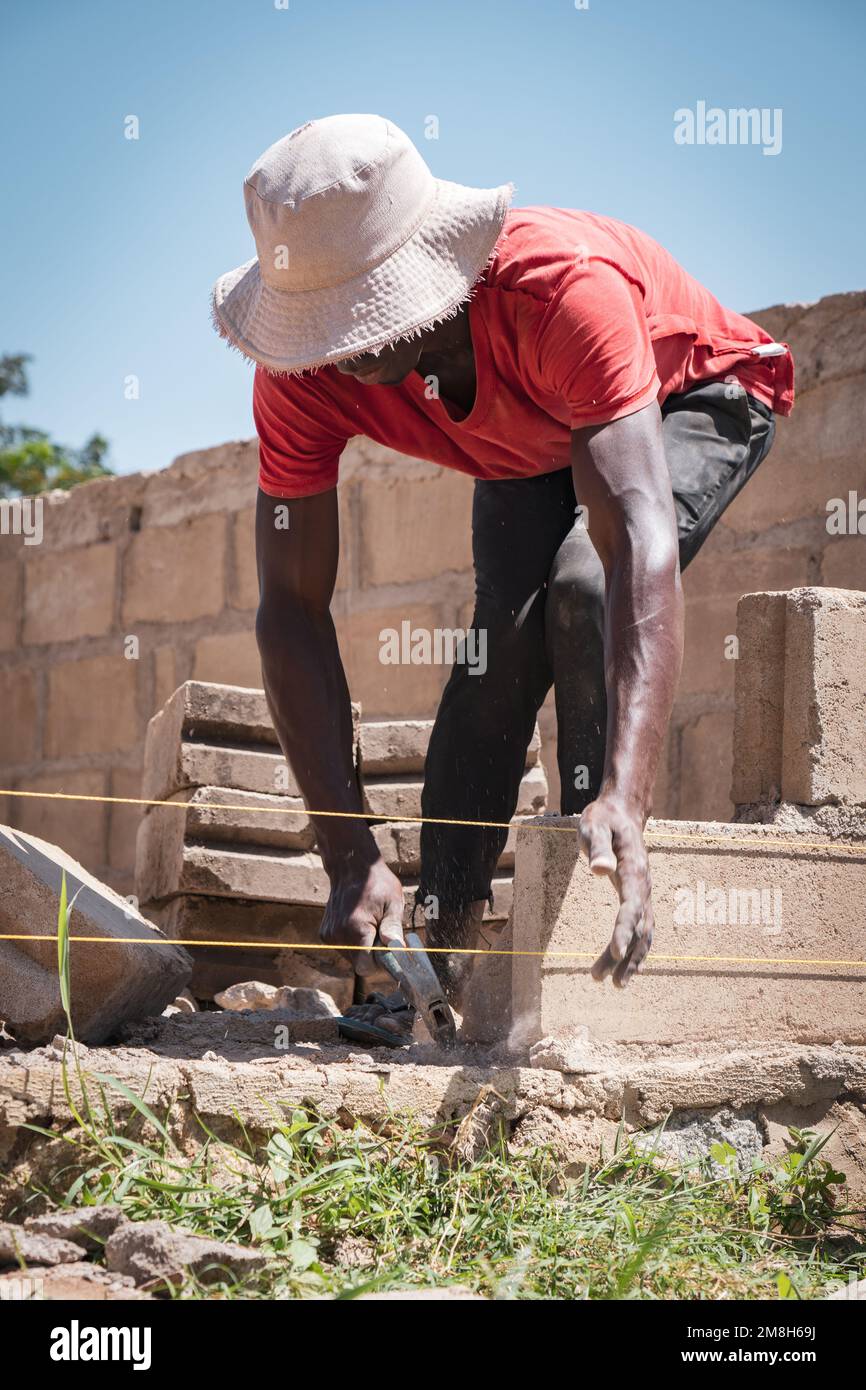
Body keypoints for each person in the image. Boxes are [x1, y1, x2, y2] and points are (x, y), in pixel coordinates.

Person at [212, 113, 794, 1024]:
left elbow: (635, 532)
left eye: (365, 315)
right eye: (327, 329)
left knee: (582, 588)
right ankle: (438, 983)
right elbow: (288, 604)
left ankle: (595, 935)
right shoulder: (303, 370)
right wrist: (347, 849)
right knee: (495, 661)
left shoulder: (557, 292)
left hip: (693, 390)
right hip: (531, 442)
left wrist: (625, 794)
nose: (349, 354)